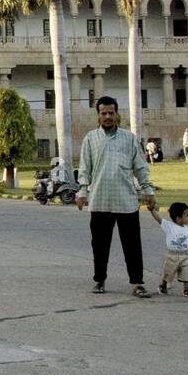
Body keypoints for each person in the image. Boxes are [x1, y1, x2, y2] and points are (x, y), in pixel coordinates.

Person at [76, 97, 156, 298]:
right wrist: (82, 192)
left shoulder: (128, 138)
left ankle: (137, 283)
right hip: (100, 200)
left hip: (126, 201)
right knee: (100, 245)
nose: (108, 117)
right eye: (104, 113)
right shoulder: (90, 139)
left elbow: (140, 167)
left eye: (111, 113)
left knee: (132, 245)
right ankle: (99, 280)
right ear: (98, 115)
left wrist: (148, 191)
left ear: (116, 113)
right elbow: (85, 169)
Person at [148, 201, 188, 296]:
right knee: (168, 273)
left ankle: (186, 289)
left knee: (187, 273)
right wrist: (152, 210)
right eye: (187, 215)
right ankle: (163, 285)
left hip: (185, 255)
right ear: (178, 218)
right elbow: (158, 219)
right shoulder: (169, 226)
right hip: (172, 255)